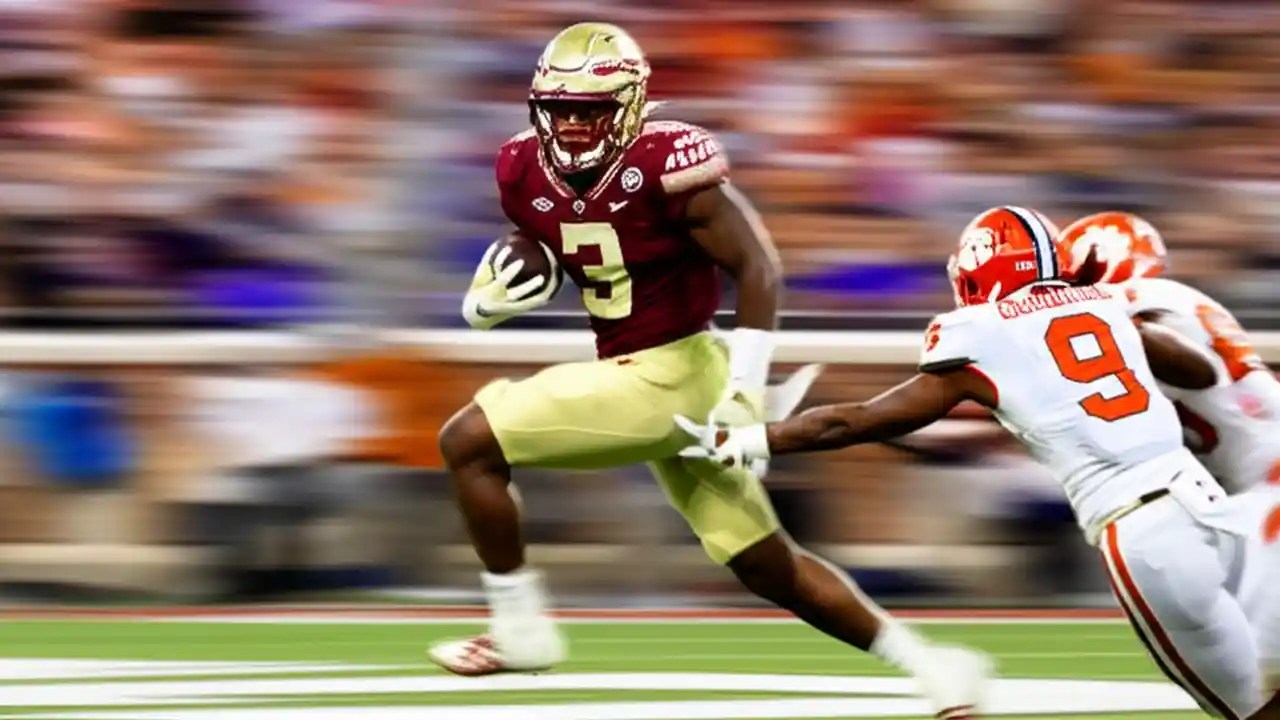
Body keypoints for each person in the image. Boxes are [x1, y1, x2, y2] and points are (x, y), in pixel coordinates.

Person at [429, 22, 991, 717]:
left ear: (630, 105)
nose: (573, 123)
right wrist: (498, 290)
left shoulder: (668, 162)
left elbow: (756, 265)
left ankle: (519, 628)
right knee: (765, 562)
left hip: (678, 371)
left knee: (468, 441)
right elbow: (543, 234)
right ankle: (937, 670)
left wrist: (743, 389)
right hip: (648, 372)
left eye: (592, 109)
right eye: (559, 108)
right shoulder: (519, 167)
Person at [675, 205, 1280, 720]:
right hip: (1211, 504)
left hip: (1142, 530)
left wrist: (753, 439)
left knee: (1247, 707)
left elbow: (858, 419)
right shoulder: (1105, 303)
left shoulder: (980, 331)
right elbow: (1199, 372)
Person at [1058, 211, 1280, 495]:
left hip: (1266, 470)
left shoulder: (1141, 300)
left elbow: (1201, 374)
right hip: (1250, 472)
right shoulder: (1173, 299)